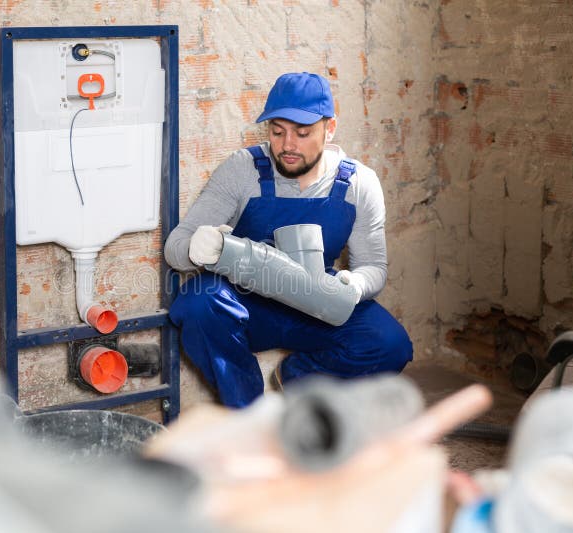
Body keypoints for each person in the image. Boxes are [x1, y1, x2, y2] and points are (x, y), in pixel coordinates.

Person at [164, 72, 413, 408]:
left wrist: (354, 284)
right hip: (248, 304)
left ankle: (299, 378)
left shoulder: (359, 184)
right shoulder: (243, 170)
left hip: (316, 303)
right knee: (196, 302)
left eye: (303, 132)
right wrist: (198, 248)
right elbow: (175, 248)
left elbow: (374, 267)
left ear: (330, 128)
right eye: (277, 131)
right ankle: (247, 410)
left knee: (391, 344)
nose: (288, 145)